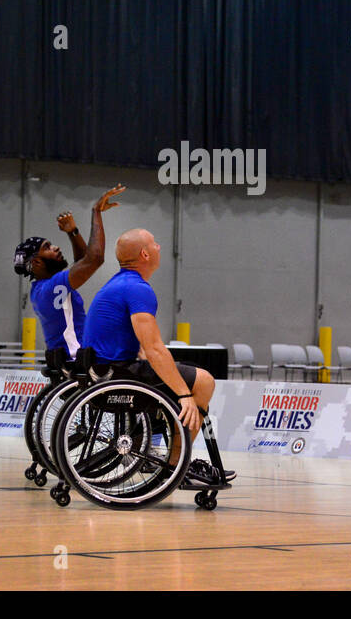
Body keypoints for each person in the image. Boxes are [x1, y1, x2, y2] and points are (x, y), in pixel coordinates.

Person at [82, 228, 233, 481]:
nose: (159, 247)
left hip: (102, 371)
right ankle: (176, 466)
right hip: (117, 375)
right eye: (154, 243)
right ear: (144, 254)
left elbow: (138, 343)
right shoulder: (138, 289)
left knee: (174, 371)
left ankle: (167, 452)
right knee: (204, 381)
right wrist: (184, 393)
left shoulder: (117, 283)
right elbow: (153, 348)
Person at [12, 185, 125, 357]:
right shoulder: (52, 287)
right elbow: (94, 259)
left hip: (71, 362)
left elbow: (81, 263)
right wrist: (96, 212)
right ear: (36, 262)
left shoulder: (41, 289)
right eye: (47, 247)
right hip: (78, 363)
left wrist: (73, 232)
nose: (56, 248)